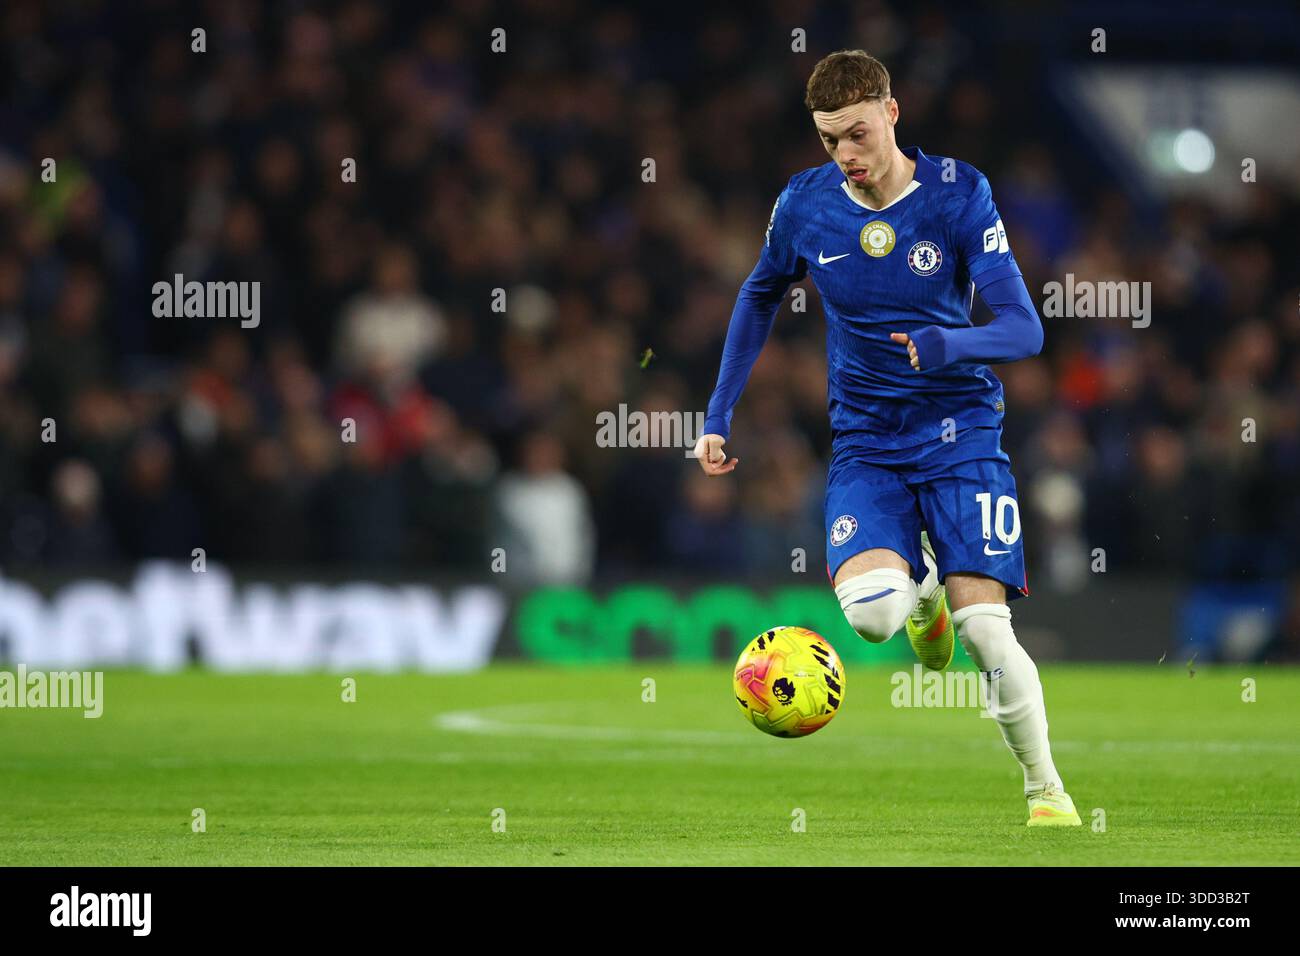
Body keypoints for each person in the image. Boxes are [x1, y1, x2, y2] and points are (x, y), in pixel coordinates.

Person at [695, 50, 1078, 827]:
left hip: (962, 432)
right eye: (830, 139)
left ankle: (1047, 791)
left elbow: (1025, 330)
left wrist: (952, 344)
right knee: (873, 616)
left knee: (983, 631)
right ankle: (919, 597)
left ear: (892, 114)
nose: (846, 155)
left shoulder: (959, 194)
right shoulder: (804, 204)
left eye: (858, 134)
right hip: (867, 441)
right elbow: (760, 291)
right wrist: (716, 414)